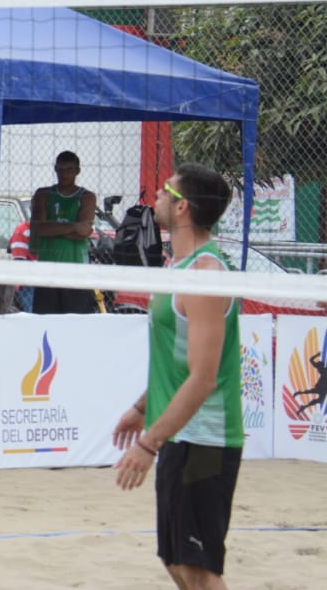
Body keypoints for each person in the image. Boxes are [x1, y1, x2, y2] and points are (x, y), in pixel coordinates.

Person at [113, 163, 243, 589]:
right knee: (175, 561)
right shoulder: (178, 269)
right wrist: (141, 408)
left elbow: (204, 378)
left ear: (183, 207)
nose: (156, 198)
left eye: (164, 191)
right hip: (177, 431)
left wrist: (148, 446)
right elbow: (178, 364)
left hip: (206, 439)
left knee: (199, 570)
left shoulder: (207, 276)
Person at [30, 151, 97, 314]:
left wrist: (52, 228)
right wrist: (75, 227)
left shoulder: (87, 196)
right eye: (60, 169)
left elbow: (84, 232)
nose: (64, 174)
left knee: (76, 325)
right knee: (45, 324)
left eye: (69, 169)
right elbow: (39, 228)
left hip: (76, 272)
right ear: (55, 169)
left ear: (77, 171)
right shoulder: (43, 194)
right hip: (47, 271)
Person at [8, 218, 36, 312]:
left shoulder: (39, 229)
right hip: (27, 282)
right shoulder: (23, 230)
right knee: (31, 313)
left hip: (39, 280)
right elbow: (19, 261)